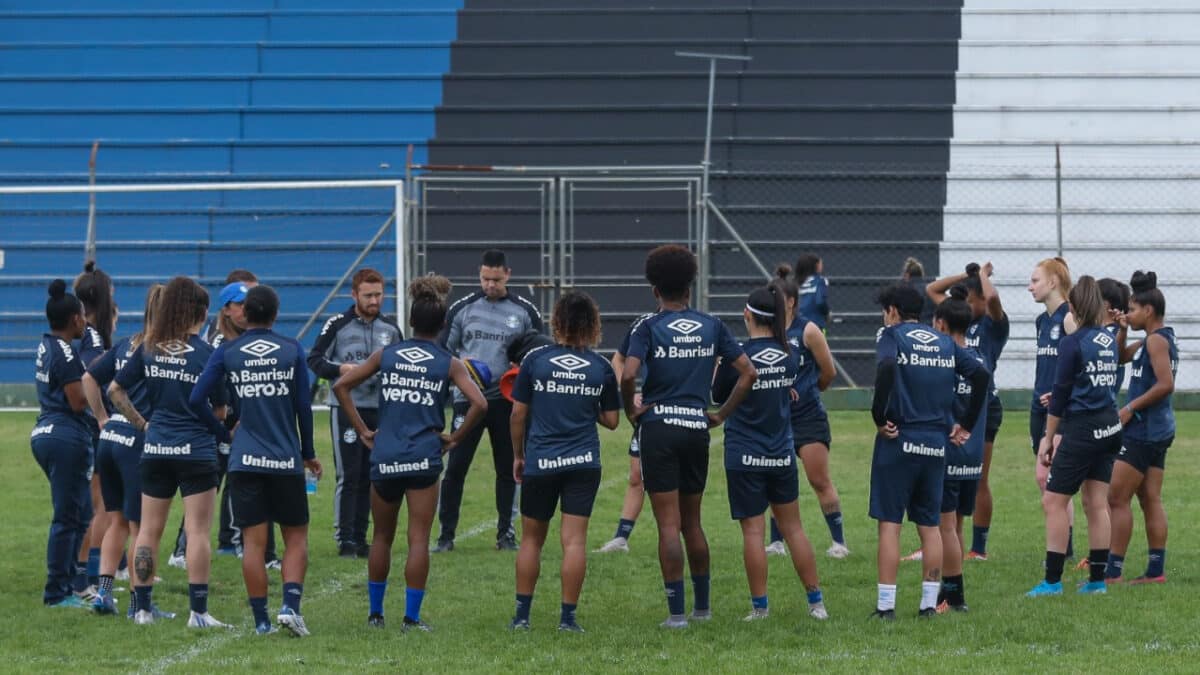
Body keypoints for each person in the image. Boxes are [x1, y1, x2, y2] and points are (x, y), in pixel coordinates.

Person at [333, 275, 487, 631]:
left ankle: (375, 615)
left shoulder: (386, 353)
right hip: (423, 457)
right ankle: (411, 618)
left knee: (382, 537)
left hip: (385, 454)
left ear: (411, 322)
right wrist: (456, 437)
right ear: (443, 325)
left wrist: (361, 430)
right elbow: (478, 402)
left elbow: (342, 386)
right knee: (418, 538)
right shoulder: (448, 362)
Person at [621, 244, 757, 628]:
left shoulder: (647, 326)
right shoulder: (712, 325)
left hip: (659, 428)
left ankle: (676, 615)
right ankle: (703, 608)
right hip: (697, 427)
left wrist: (631, 408)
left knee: (667, 524)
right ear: (691, 287)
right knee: (691, 522)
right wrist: (721, 415)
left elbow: (629, 373)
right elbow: (748, 372)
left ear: (654, 290)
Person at [191, 285, 321, 636]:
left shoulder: (229, 351)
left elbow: (196, 398)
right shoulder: (292, 350)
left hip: (244, 460)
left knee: (253, 542)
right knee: (295, 537)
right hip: (284, 460)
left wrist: (223, 435)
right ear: (276, 314)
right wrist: (308, 453)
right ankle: (290, 607)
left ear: (245, 314)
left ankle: (262, 621)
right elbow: (303, 409)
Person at [109, 276, 229, 628]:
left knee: (147, 530)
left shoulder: (150, 347)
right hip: (196, 450)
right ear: (201, 312)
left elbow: (116, 390)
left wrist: (144, 424)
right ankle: (199, 612)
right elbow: (220, 410)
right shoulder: (209, 354)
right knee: (197, 531)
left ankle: (142, 610)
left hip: (156, 447)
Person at [869, 283, 988, 620]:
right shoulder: (944, 342)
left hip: (899, 438)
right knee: (930, 525)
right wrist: (965, 423)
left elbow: (887, 368)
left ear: (893, 311)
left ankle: (886, 607)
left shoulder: (891, 335)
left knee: (890, 524)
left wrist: (879, 416)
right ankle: (927, 605)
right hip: (936, 443)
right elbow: (979, 375)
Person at [714, 283, 828, 622]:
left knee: (753, 531)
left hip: (744, 454)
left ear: (747, 315)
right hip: (780, 454)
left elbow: (719, 395)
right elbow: (785, 388)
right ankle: (816, 603)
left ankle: (760, 608)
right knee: (794, 528)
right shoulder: (789, 354)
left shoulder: (739, 356)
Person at [509, 291, 620, 632]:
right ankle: (568, 619)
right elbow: (613, 420)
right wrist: (585, 405)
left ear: (556, 321)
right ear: (593, 325)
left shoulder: (535, 360)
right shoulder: (601, 367)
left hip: (540, 460)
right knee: (574, 541)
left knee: (531, 540)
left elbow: (518, 413)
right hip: (583, 462)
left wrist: (518, 455)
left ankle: (522, 617)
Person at [434, 249, 543, 553]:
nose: (490, 285)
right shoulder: (462, 308)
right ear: (479, 274)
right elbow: (444, 350)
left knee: (508, 469)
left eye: (496, 279)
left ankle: (505, 535)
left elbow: (536, 356)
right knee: (455, 468)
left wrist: (517, 372)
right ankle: (445, 536)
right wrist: (463, 372)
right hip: (466, 401)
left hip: (506, 402)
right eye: (485, 278)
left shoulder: (524, 311)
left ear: (507, 274)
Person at [172, 272, 280, 568]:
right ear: (226, 309)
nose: (245, 310)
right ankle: (183, 550)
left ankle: (252, 549)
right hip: (223, 423)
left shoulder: (246, 338)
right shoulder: (218, 341)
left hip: (242, 422)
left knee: (239, 483)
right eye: (239, 305)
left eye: (247, 305)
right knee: (208, 486)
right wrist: (223, 424)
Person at [1028, 276, 1121, 597]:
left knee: (1053, 501)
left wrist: (1048, 438)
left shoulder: (1071, 343)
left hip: (1083, 429)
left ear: (1073, 307)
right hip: (1110, 425)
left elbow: (1061, 395)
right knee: (1096, 503)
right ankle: (1097, 581)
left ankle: (1052, 581)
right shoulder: (1108, 339)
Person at [308, 268, 403, 558]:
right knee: (349, 475)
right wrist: (341, 370)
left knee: (372, 476)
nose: (375, 301)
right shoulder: (338, 324)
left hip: (381, 410)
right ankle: (345, 538)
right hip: (347, 410)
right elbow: (314, 359)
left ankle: (362, 537)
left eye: (379, 295)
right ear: (354, 295)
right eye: (368, 295)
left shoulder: (391, 329)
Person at [83, 284, 164, 615]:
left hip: (110, 438)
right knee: (139, 528)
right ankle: (137, 602)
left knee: (115, 521)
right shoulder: (160, 350)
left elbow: (89, 377)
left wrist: (102, 417)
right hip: (135, 439)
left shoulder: (126, 343)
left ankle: (103, 593)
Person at [923, 262, 1008, 562]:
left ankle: (978, 547)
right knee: (945, 477)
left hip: (982, 406)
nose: (971, 305)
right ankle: (939, 541)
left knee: (977, 477)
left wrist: (983, 276)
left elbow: (994, 301)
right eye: (969, 300)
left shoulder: (993, 325)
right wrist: (967, 274)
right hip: (951, 404)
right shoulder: (957, 319)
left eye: (976, 299)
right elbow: (932, 290)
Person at [766, 265, 845, 559]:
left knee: (818, 479)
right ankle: (776, 542)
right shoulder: (766, 331)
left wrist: (810, 389)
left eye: (777, 295)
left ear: (790, 301)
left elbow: (828, 372)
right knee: (777, 480)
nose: (772, 299)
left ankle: (839, 542)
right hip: (777, 418)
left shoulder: (808, 330)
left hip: (807, 416)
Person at [1106, 271, 1176, 585]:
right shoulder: (1152, 339)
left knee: (1116, 498)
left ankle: (1112, 573)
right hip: (1159, 430)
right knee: (1150, 499)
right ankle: (1155, 571)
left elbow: (1166, 384)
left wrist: (1129, 408)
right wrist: (1122, 331)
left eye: (1132, 310)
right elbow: (1120, 357)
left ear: (1148, 311)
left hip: (1143, 430)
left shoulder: (1156, 341)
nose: (1128, 314)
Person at [31, 280, 91, 608]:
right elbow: (78, 401)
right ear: (74, 320)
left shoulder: (48, 345)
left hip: (47, 431)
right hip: (65, 436)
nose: (85, 321)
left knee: (82, 512)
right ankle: (56, 592)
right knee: (68, 516)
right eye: (82, 316)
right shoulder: (67, 352)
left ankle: (70, 584)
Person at [930, 288, 989, 612]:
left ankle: (953, 597)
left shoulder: (945, 359)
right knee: (955, 527)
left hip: (949, 453)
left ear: (940, 323)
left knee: (946, 528)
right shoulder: (978, 357)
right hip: (973, 455)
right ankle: (947, 591)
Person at [72, 262, 117, 599]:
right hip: (89, 428)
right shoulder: (92, 336)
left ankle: (85, 570)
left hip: (77, 427)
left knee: (90, 504)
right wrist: (104, 414)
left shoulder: (73, 332)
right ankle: (87, 574)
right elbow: (93, 376)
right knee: (98, 505)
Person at [594, 309, 656, 554]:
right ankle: (621, 538)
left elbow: (716, 360)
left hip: (683, 414)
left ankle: (682, 536)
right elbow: (618, 360)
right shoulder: (643, 323)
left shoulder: (700, 324)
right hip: (649, 413)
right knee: (636, 476)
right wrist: (631, 394)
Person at [1028, 258, 1078, 559]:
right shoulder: (1040, 321)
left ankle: (1064, 549)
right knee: (1045, 478)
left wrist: (1064, 395)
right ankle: (1065, 547)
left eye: (1035, 280)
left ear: (1053, 282)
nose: (1029, 286)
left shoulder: (1069, 319)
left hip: (1061, 412)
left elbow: (1084, 362)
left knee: (1050, 478)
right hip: (1038, 409)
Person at [793, 253, 830, 331]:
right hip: (815, 323)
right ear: (816, 266)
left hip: (795, 323)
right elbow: (820, 302)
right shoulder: (820, 281)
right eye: (821, 263)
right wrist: (827, 313)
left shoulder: (794, 282)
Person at [901, 257, 937, 325]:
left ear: (907, 275)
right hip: (930, 327)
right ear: (921, 274)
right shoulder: (931, 289)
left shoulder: (903, 290)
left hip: (910, 327)